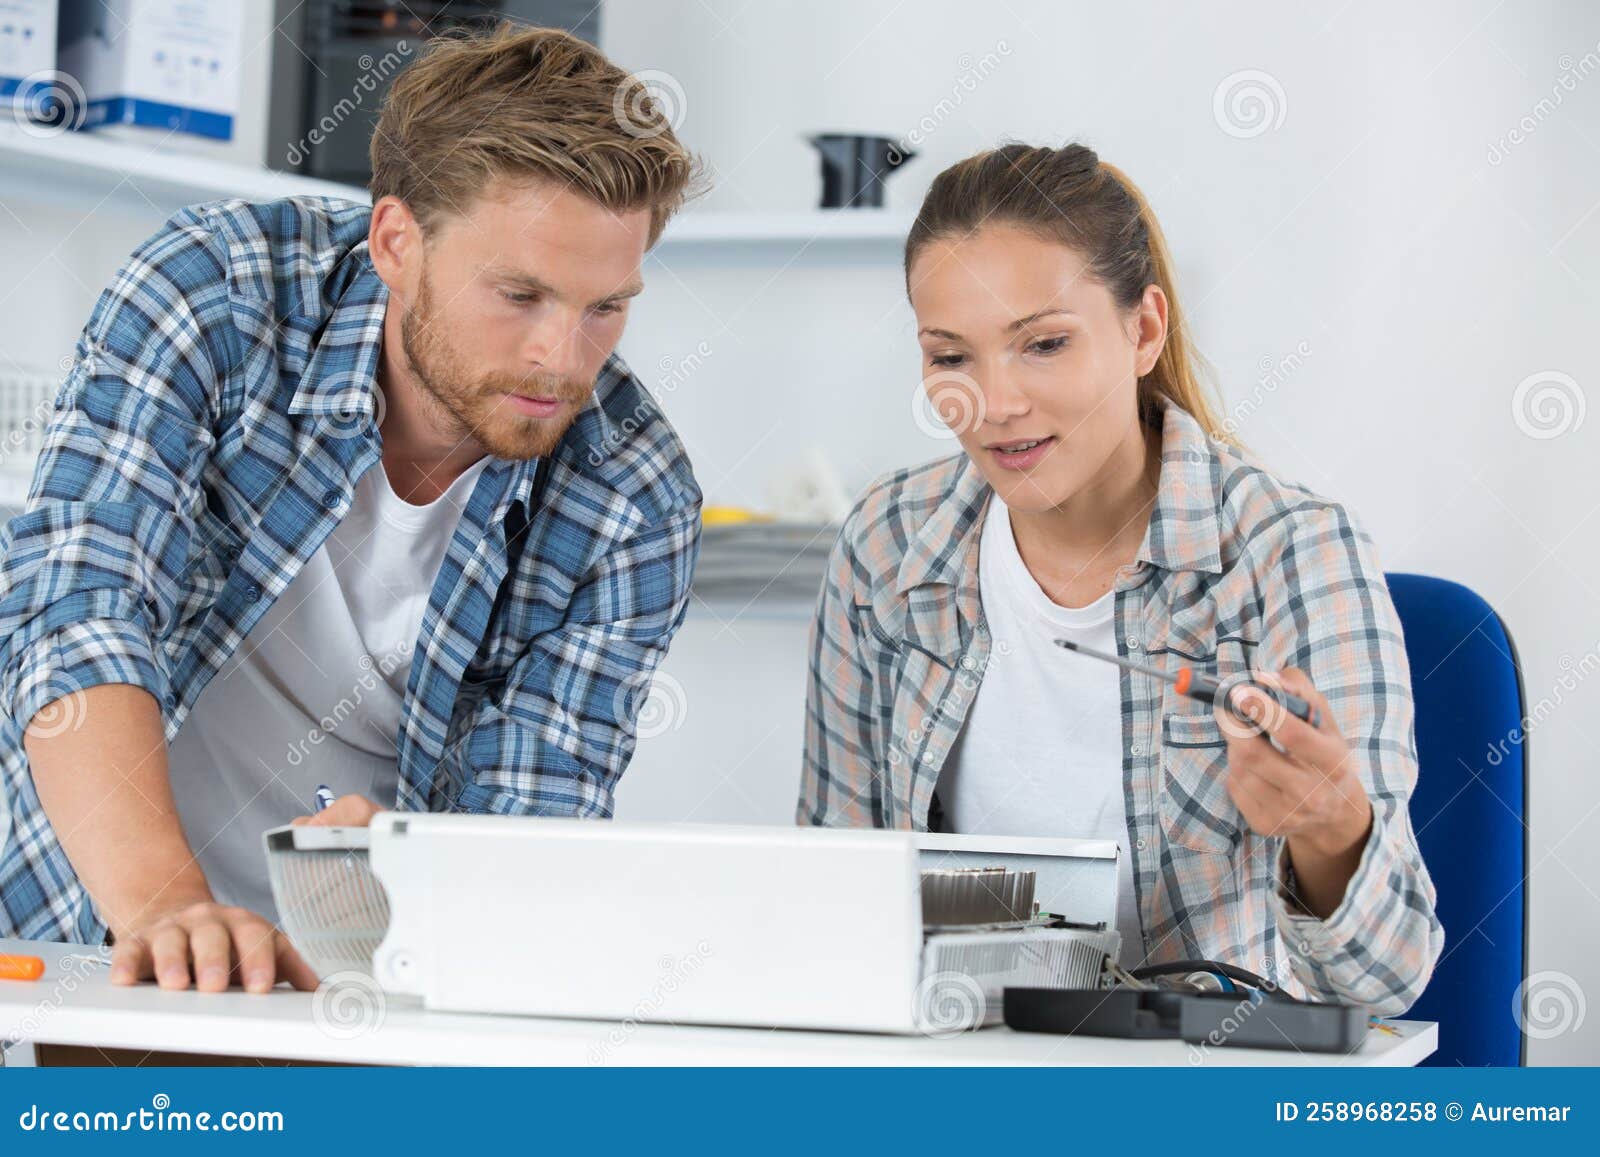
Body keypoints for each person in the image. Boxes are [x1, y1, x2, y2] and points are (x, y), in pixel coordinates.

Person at [0, 24, 702, 994]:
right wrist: (166, 908)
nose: (561, 355)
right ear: (395, 242)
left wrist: (423, 872)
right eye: (520, 294)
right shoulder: (212, 296)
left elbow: (534, 825)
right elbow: (79, 614)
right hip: (87, 918)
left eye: (604, 307)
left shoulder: (632, 494)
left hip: (368, 988)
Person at [799, 142, 1442, 1014]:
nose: (993, 404)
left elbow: (1388, 979)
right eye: (951, 357)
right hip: (968, 1064)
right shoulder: (885, 545)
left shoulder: (1293, 552)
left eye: (1044, 344)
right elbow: (829, 906)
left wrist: (1330, 828)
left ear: (1143, 330)